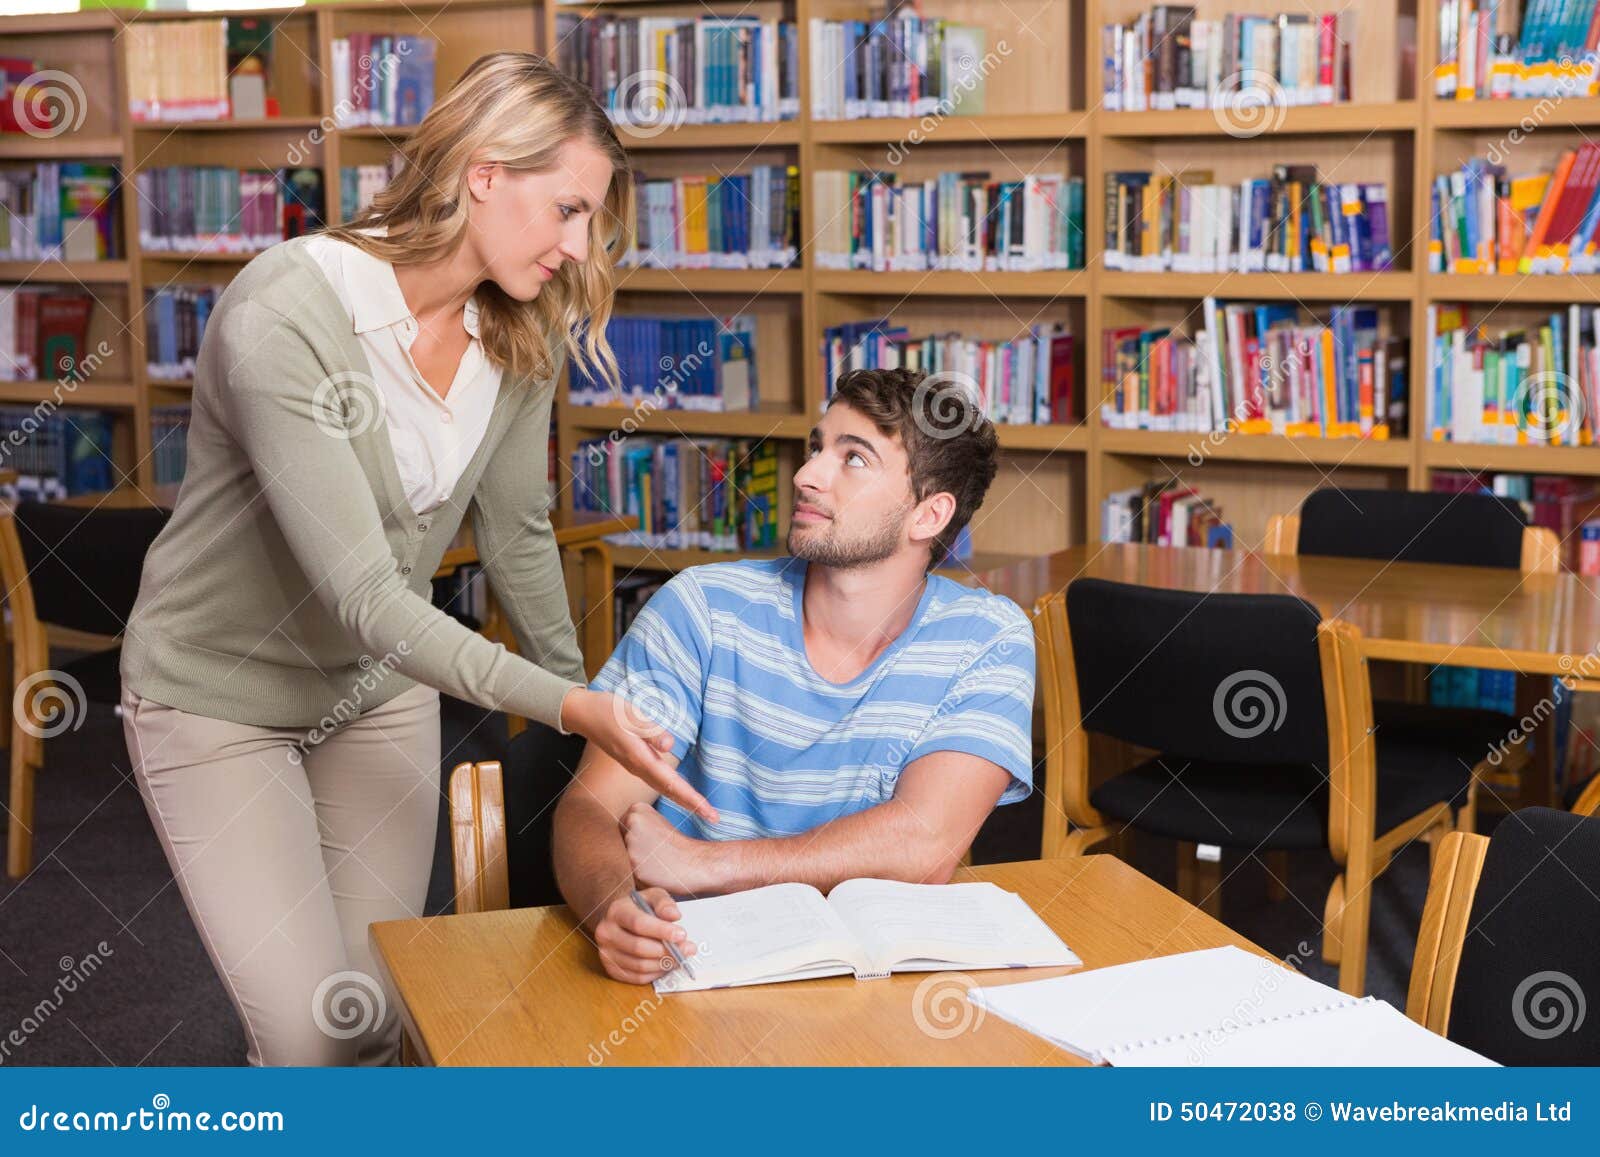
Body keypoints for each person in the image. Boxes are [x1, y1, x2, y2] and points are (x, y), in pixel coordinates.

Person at [118, 53, 712, 1065]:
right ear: (484, 173)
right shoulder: (288, 314)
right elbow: (361, 593)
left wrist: (584, 725)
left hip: (374, 692)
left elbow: (520, 533)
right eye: (567, 210)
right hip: (216, 695)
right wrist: (577, 706)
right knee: (306, 1035)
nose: (577, 248)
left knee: (379, 1015)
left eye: (591, 222)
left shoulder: (521, 330)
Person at [552, 367, 1037, 985]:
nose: (807, 475)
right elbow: (592, 806)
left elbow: (924, 842)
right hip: (688, 962)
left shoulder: (987, 637)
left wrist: (700, 863)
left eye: (853, 458)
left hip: (865, 981)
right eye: (816, 446)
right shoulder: (701, 606)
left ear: (928, 515)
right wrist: (613, 909)